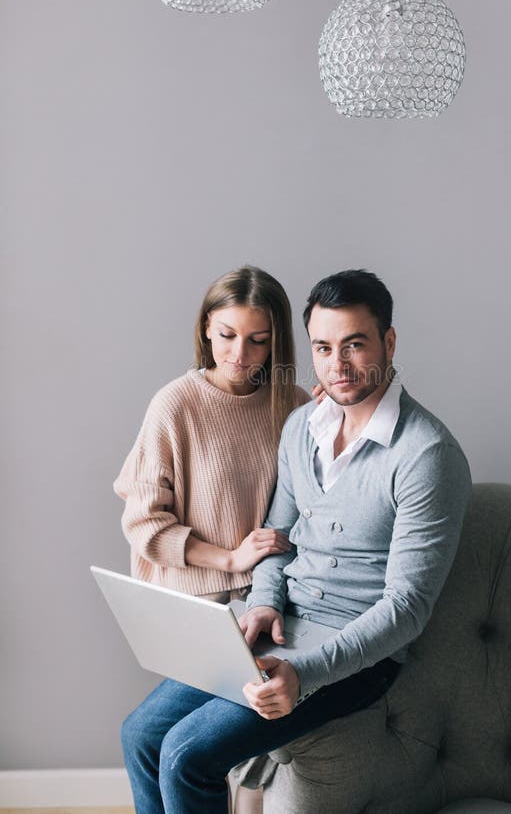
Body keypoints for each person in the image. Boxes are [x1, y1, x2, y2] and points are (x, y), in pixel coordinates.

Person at [120, 269, 472, 814]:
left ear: (389, 342)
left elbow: (406, 609)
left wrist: (303, 672)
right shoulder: (301, 424)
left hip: (354, 653)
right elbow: (276, 540)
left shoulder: (427, 455)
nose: (338, 364)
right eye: (324, 347)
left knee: (186, 756)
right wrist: (262, 603)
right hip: (281, 625)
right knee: (140, 735)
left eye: (355, 344)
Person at [114, 265, 309, 814]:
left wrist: (331, 409)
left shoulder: (291, 405)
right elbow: (145, 524)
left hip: (266, 602)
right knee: (149, 741)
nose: (240, 354)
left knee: (170, 747)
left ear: (277, 342)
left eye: (257, 340)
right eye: (226, 335)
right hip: (195, 608)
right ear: (205, 329)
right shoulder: (175, 404)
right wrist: (228, 556)